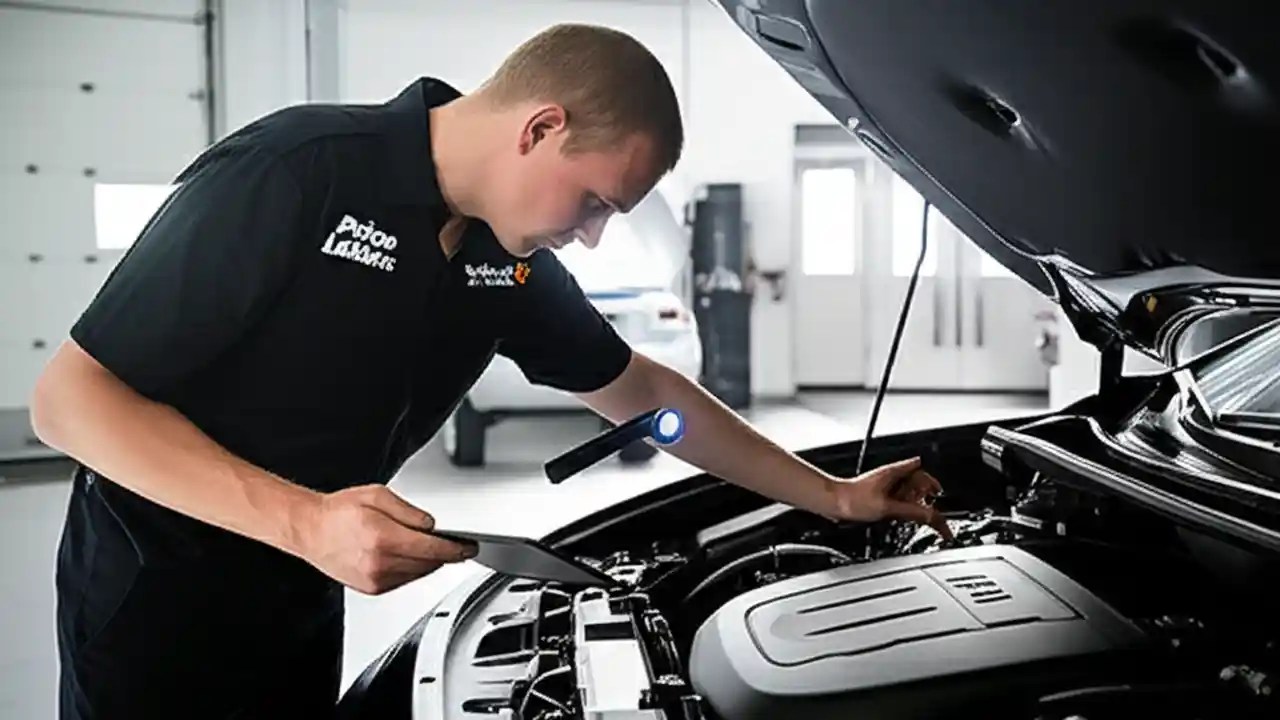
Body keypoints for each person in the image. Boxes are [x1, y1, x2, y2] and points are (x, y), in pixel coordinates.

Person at [31, 23, 949, 720]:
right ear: (540, 127)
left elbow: (646, 391)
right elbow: (69, 401)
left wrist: (832, 498)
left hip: (302, 597)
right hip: (160, 599)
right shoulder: (295, 172)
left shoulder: (503, 265)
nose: (590, 234)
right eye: (593, 202)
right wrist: (304, 521)